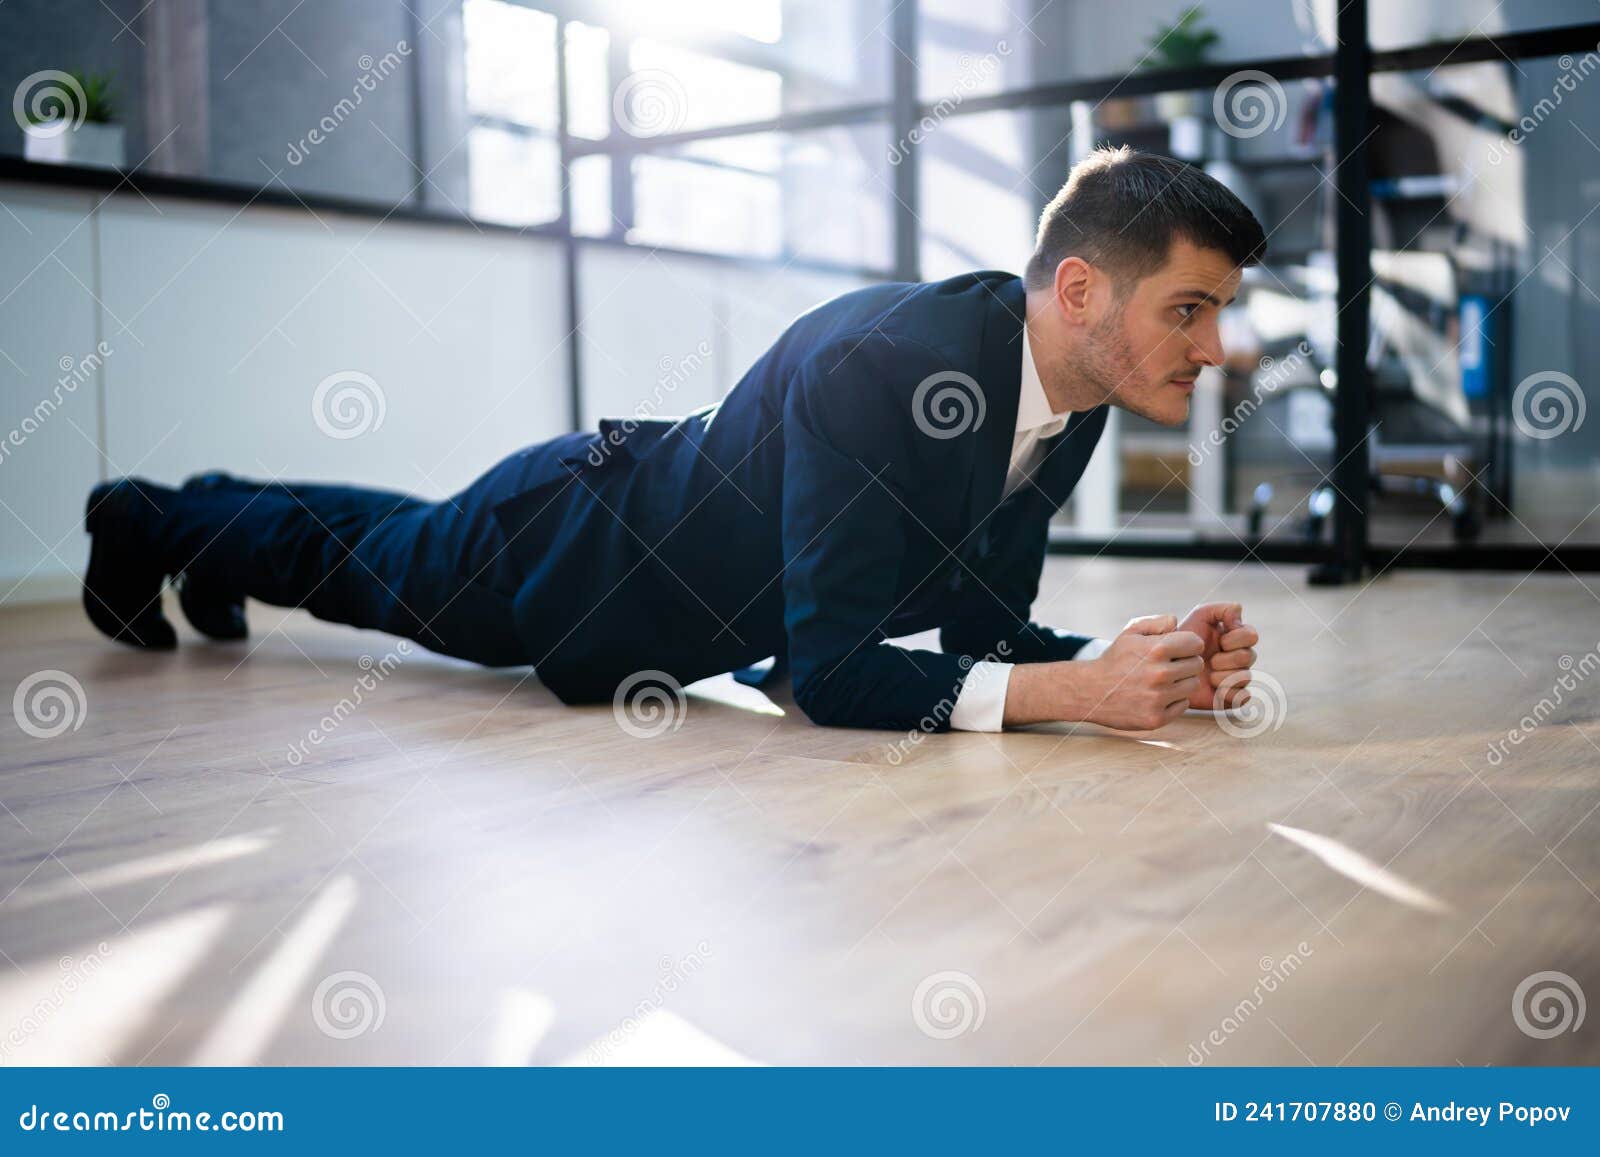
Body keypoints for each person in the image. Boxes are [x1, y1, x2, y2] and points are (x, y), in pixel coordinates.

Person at [82, 146, 1262, 734]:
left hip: (643, 567)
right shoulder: (890, 367)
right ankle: (152, 519)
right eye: (1189, 307)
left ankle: (205, 516)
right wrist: (1078, 696)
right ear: (1076, 289)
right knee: (362, 563)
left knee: (374, 532)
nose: (1213, 348)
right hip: (571, 552)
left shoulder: (1066, 401)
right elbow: (835, 674)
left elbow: (978, 633)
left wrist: (1138, 661)